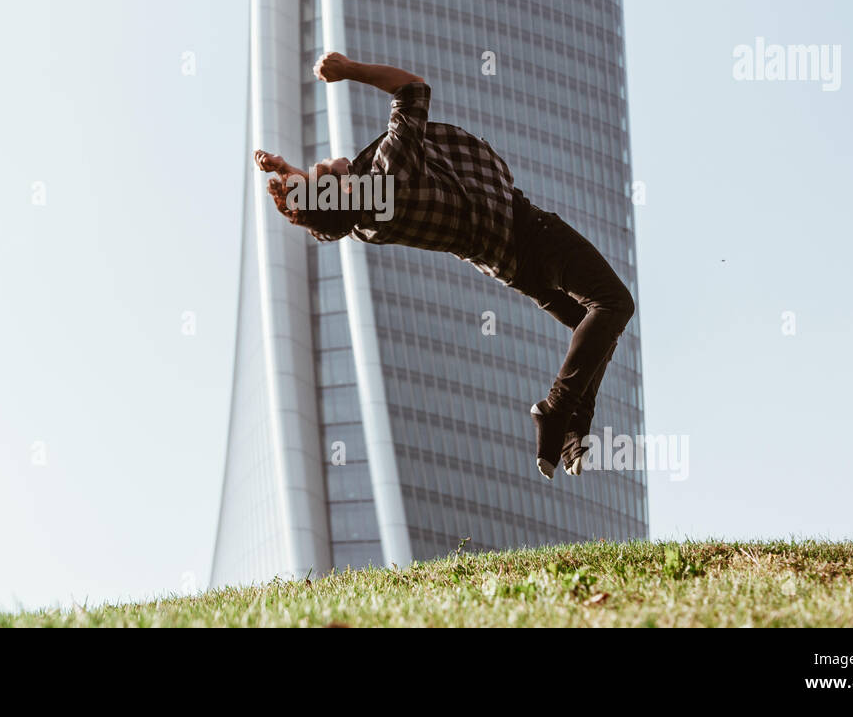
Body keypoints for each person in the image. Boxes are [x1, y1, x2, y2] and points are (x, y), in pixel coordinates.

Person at [257, 52, 635, 479]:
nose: (330, 159)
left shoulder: (359, 224)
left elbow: (321, 225)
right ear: (340, 186)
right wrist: (348, 71)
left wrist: (288, 177)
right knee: (614, 304)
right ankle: (556, 409)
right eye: (323, 168)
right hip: (530, 232)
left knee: (597, 323)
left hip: (509, 267)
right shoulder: (387, 175)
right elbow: (412, 89)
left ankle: (572, 430)